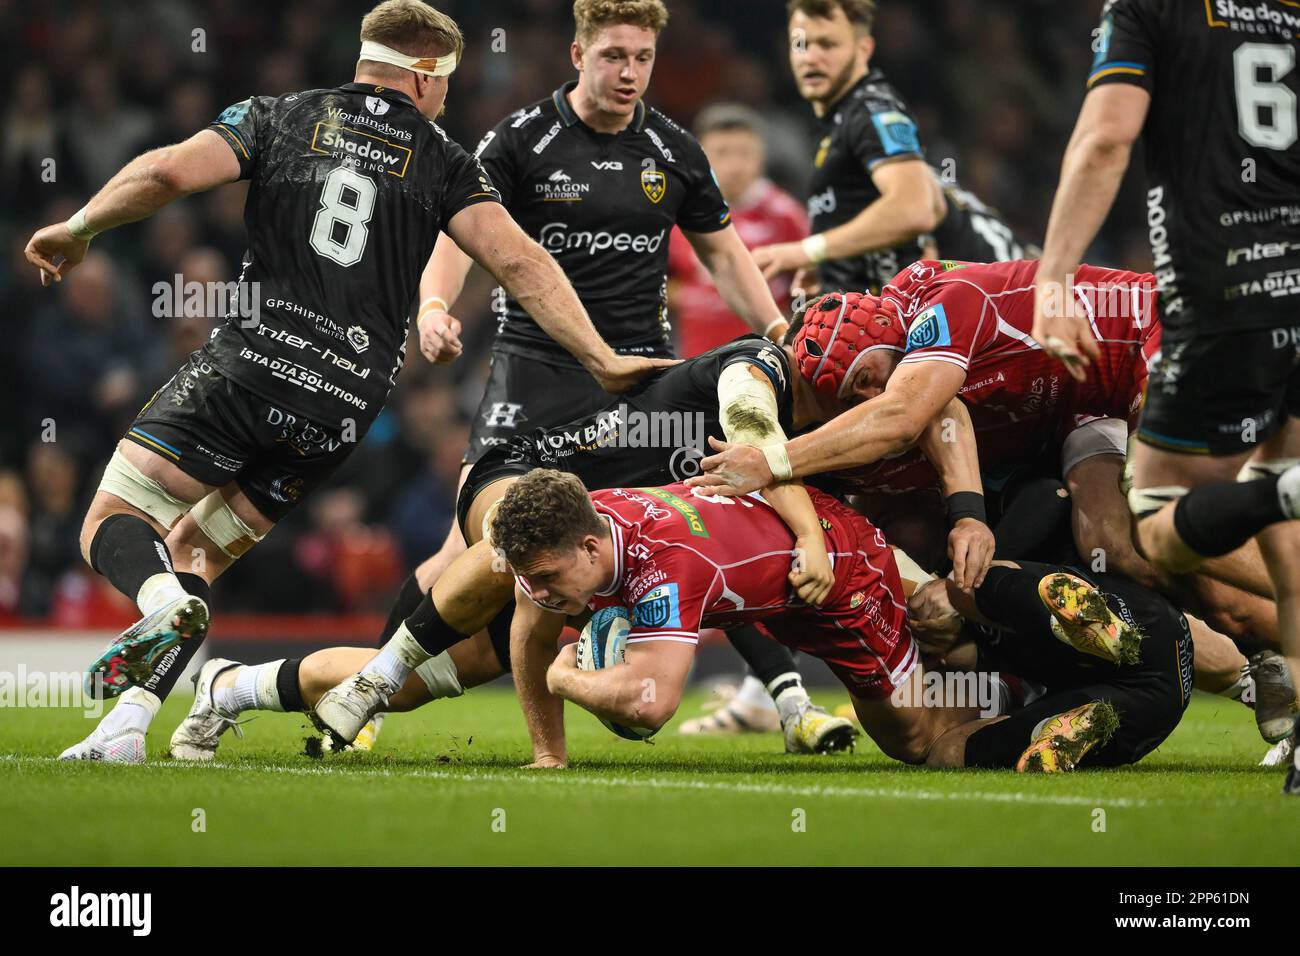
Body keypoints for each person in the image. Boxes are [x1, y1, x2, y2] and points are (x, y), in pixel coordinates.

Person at [24, 0, 661, 764]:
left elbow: (165, 171)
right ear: (426, 79)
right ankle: (125, 729)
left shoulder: (280, 116)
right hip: (340, 407)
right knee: (196, 557)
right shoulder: (443, 159)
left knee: (117, 519)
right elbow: (522, 261)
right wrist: (601, 357)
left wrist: (82, 225)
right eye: (447, 86)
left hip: (251, 368)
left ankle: (156, 606)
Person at [170, 332, 992, 760]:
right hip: (533, 477)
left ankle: (231, 689)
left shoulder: (771, 454)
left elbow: (740, 543)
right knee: (503, 561)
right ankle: (379, 673)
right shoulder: (757, 374)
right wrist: (551, 747)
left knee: (432, 687)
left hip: (599, 535)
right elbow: (759, 445)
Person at [368, 0, 809, 748]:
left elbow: (724, 253)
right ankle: (373, 697)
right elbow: (465, 228)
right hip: (533, 376)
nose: (628, 71)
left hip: (638, 380)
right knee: (464, 556)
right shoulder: (521, 139)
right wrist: (435, 303)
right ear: (579, 56)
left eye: (641, 57)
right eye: (613, 56)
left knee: (703, 516)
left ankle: (791, 702)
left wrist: (775, 331)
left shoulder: (672, 149)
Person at [1027, 0, 1300, 791]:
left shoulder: (1150, 8)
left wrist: (1054, 276)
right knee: (1279, 523)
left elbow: (1108, 135)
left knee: (1156, 522)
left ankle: (1281, 489)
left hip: (1228, 295)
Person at [498, 470, 1171, 771]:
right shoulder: (590, 515)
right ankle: (1048, 661)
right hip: (788, 566)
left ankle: (1046, 691)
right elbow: (528, 620)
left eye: (549, 579)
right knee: (948, 645)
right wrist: (548, 755)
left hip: (841, 575)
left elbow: (648, 706)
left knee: (919, 742)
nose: (538, 593)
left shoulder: (664, 570)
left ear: (590, 548)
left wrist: (567, 677)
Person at [750, 1, 1032, 293]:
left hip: (1006, 300)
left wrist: (807, 250)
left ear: (864, 50)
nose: (810, 58)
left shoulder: (872, 110)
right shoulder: (839, 123)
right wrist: (831, 263)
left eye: (828, 44)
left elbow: (915, 208)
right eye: (801, 44)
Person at [667, 103, 808, 358]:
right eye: (722, 153)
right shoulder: (678, 211)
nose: (735, 165)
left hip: (763, 357)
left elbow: (809, 284)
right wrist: (691, 296)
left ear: (761, 157)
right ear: (700, 157)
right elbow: (656, 279)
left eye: (745, 153)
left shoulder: (785, 213)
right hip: (694, 357)